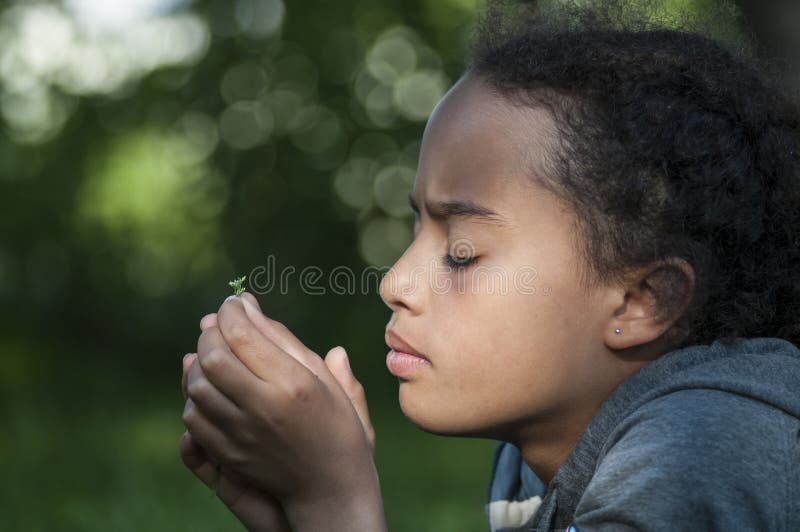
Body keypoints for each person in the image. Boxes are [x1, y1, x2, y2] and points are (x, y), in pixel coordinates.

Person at [179, 0, 800, 530]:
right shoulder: (532, 463)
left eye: (461, 253)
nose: (395, 283)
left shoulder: (703, 450)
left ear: (643, 299)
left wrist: (334, 503)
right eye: (417, 227)